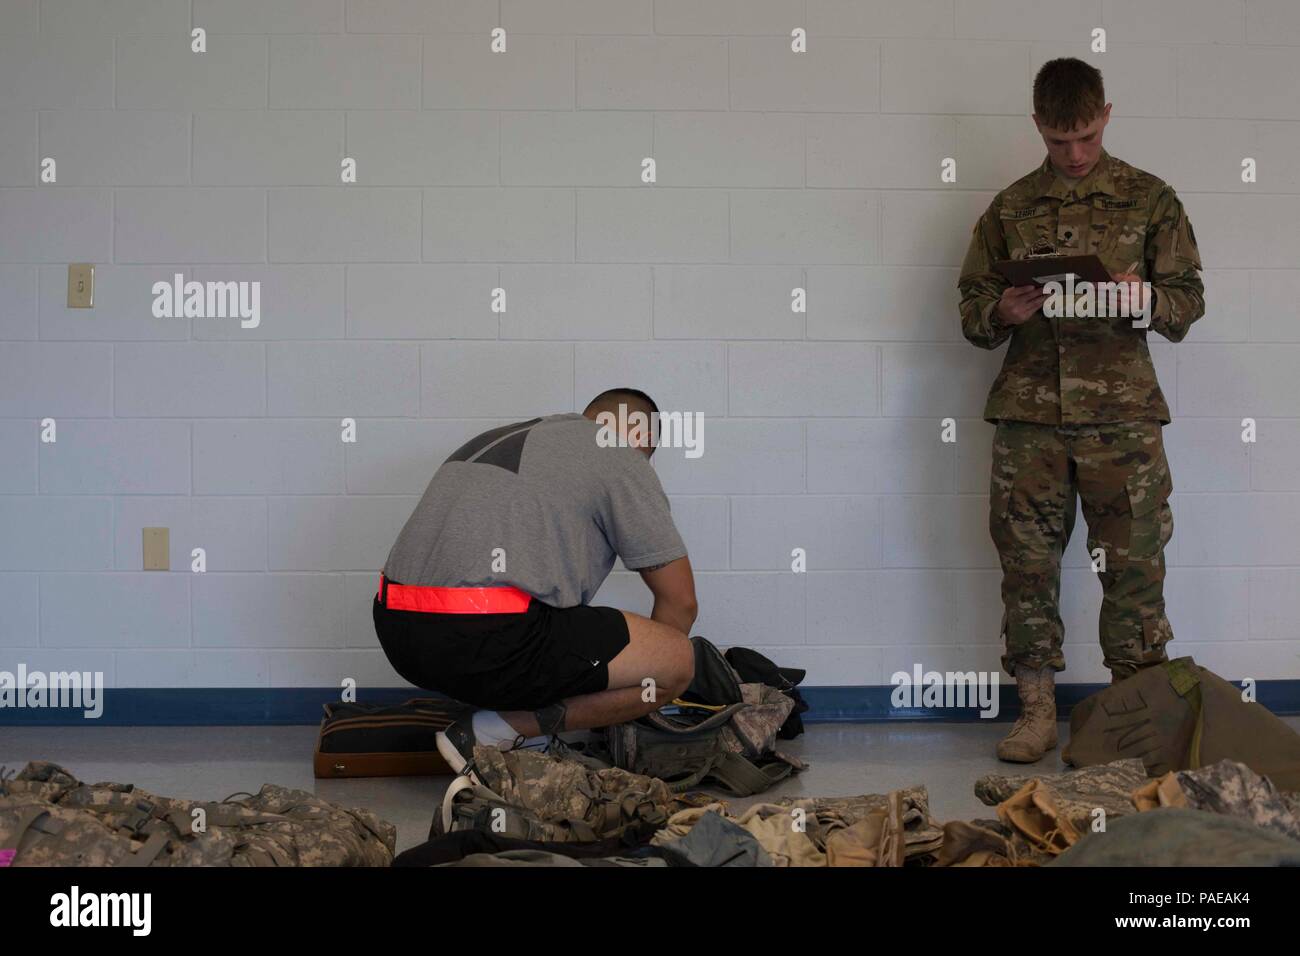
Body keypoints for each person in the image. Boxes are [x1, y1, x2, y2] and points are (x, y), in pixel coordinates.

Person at [958, 58, 1205, 763]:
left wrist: (1148, 301)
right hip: (1029, 423)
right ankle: (1036, 713)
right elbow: (970, 313)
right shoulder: (1008, 209)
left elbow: (1187, 301)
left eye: (1088, 138)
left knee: (1133, 568)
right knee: (1027, 568)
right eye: (1062, 140)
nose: (1076, 154)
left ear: (1106, 116)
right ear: (1038, 125)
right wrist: (1001, 310)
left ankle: (1138, 715)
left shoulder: (1151, 198)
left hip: (1122, 422)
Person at [372, 388, 697, 773]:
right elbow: (681, 602)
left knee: (562, 620)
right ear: (643, 441)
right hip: (485, 640)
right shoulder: (620, 453)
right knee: (678, 659)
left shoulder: (500, 437)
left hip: (397, 635)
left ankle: (526, 732)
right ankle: (495, 732)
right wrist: (639, 693)